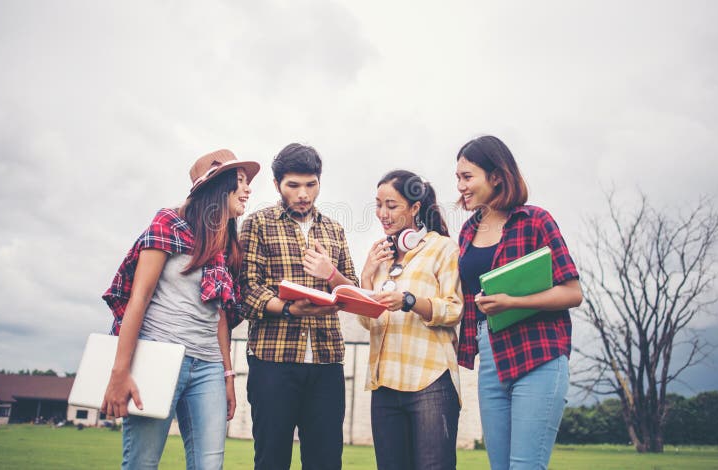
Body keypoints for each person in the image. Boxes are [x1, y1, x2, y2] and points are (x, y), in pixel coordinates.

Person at [101, 148, 259, 470]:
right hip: (158, 358)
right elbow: (139, 298)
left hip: (208, 368)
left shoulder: (226, 244)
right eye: (240, 181)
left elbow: (220, 318)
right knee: (142, 463)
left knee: (209, 465)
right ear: (216, 186)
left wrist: (227, 375)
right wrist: (120, 371)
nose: (248, 189)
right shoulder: (168, 222)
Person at [455, 135, 583, 470]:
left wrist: (513, 301)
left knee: (525, 466)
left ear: (496, 176)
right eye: (458, 178)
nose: (461, 186)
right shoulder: (467, 232)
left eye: (468, 177)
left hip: (538, 356)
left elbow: (572, 292)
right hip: (492, 359)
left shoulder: (536, 221)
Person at [239, 143, 359, 470]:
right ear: (278, 184)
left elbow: (354, 292)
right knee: (272, 459)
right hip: (273, 360)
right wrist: (289, 309)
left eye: (311, 184)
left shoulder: (334, 229)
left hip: (327, 360)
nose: (303, 193)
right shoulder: (257, 224)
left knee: (325, 461)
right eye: (293, 185)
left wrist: (330, 273)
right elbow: (247, 289)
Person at [359, 170, 464, 470]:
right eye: (378, 205)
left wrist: (409, 301)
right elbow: (369, 322)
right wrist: (366, 275)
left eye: (391, 205)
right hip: (385, 386)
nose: (383, 214)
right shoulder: (380, 255)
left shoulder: (443, 248)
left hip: (430, 382)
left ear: (415, 208)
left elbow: (455, 308)